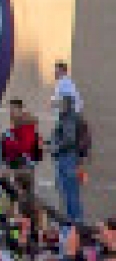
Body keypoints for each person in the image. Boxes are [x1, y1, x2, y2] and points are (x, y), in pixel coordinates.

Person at [50, 93, 91, 223]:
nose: (57, 106)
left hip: (67, 158)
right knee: (70, 192)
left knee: (70, 192)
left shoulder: (68, 119)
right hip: (71, 158)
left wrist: (54, 148)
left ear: (66, 104)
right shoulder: (73, 117)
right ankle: (75, 223)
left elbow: (69, 139)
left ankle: (76, 224)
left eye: (60, 103)